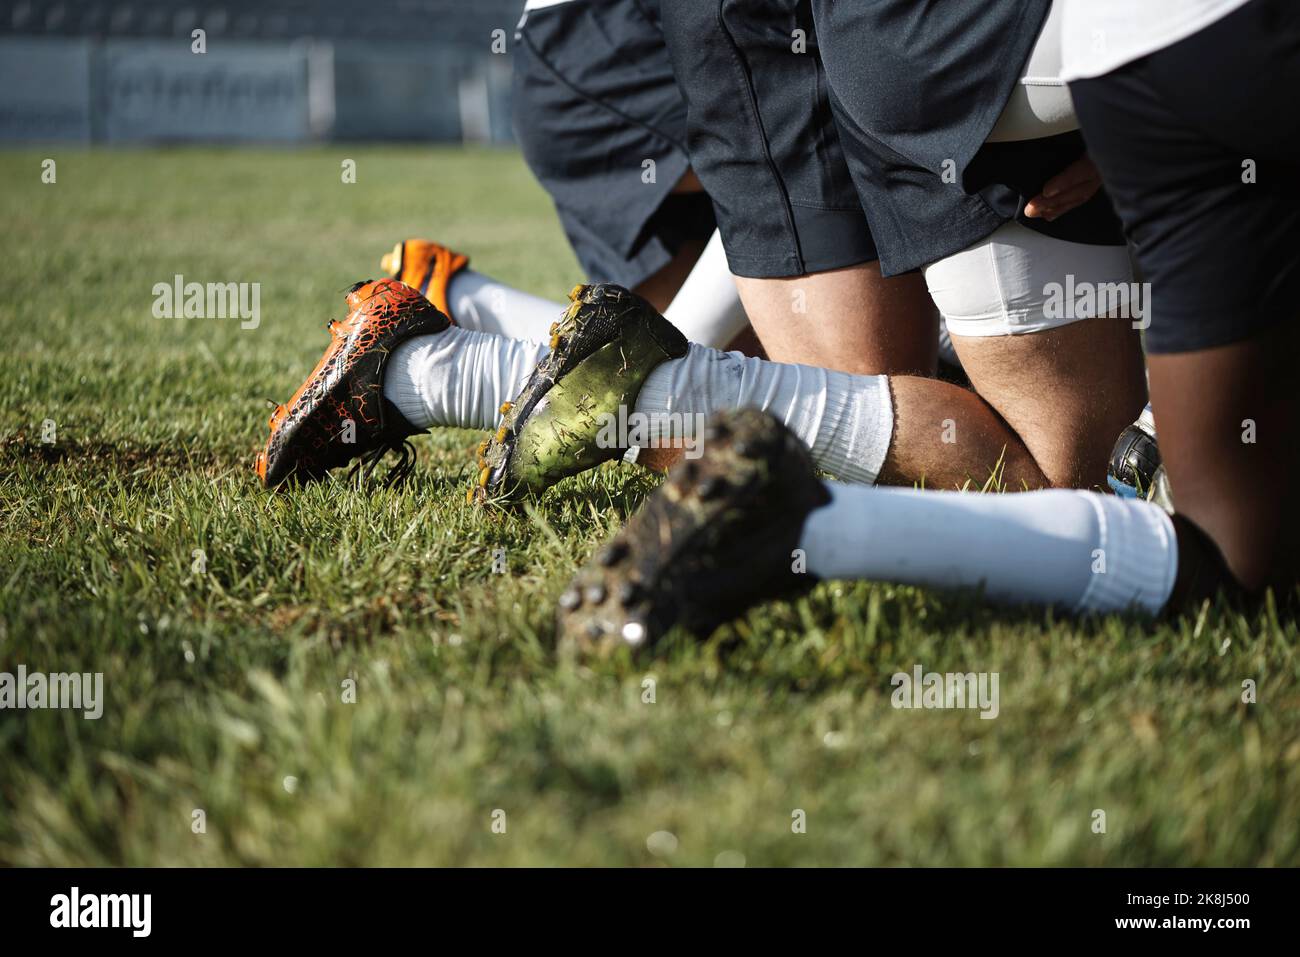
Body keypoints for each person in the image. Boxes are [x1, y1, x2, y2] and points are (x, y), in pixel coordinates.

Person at [556, 0, 1300, 650]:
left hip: (1039, 55)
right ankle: (686, 409)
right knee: (1223, 543)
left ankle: (739, 460)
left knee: (1090, 483)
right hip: (1031, 51)